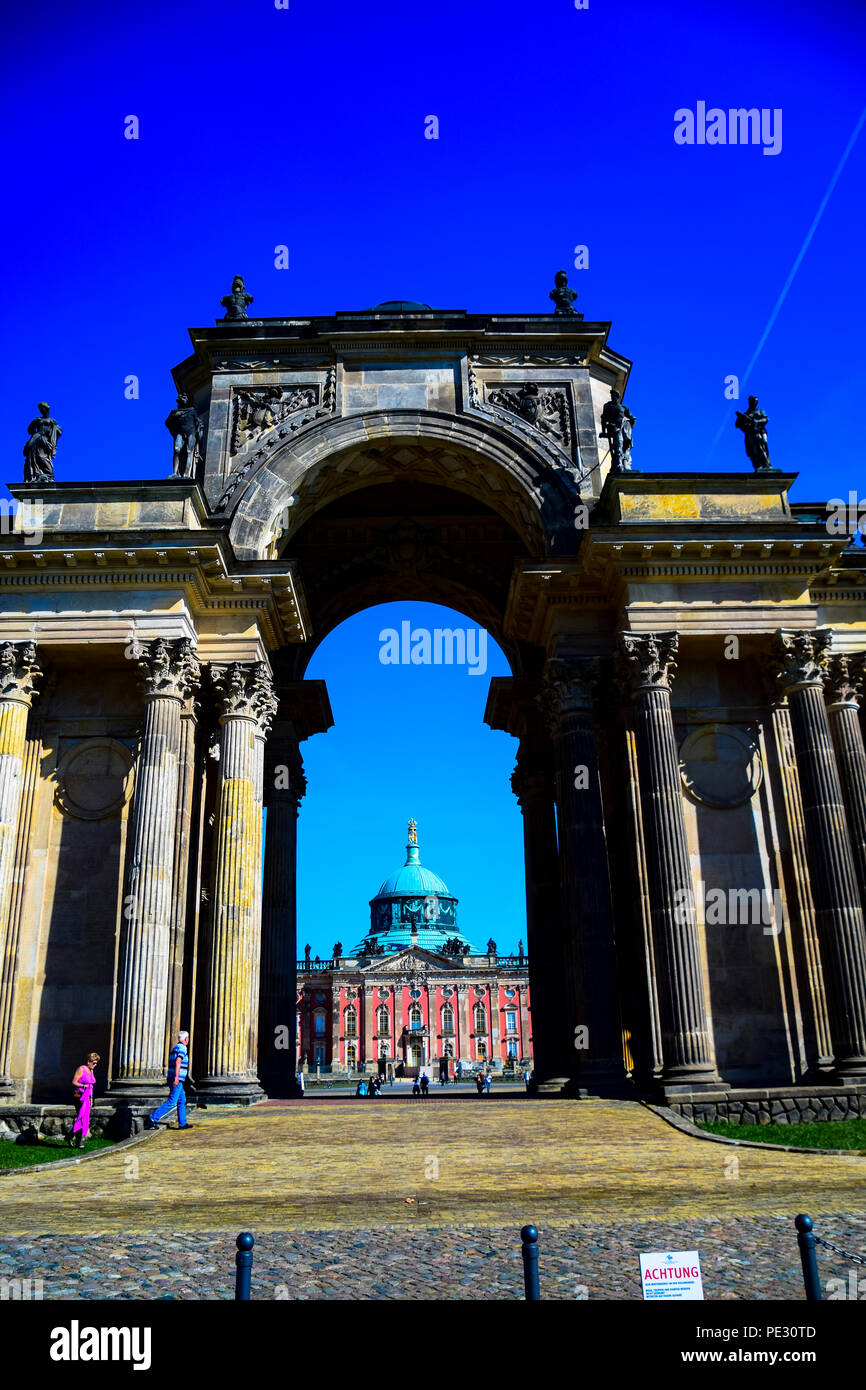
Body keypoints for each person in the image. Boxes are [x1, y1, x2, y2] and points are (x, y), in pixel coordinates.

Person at [147, 1030, 193, 1130]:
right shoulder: (183, 1048)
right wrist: (176, 1077)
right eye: (188, 1038)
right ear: (186, 1039)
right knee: (172, 1101)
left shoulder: (175, 1048)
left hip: (174, 1077)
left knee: (182, 1100)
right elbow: (178, 1061)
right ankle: (152, 1118)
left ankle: (182, 1123)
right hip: (177, 1078)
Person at [68, 1052, 99, 1148]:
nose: (95, 1065)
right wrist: (83, 1086)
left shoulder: (91, 1070)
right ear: (88, 1061)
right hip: (79, 1096)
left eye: (96, 1063)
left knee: (84, 1119)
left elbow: (91, 1086)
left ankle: (70, 1137)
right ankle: (78, 1142)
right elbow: (74, 1082)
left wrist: (91, 1098)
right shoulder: (82, 1069)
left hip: (87, 1098)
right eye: (93, 1062)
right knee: (81, 1118)